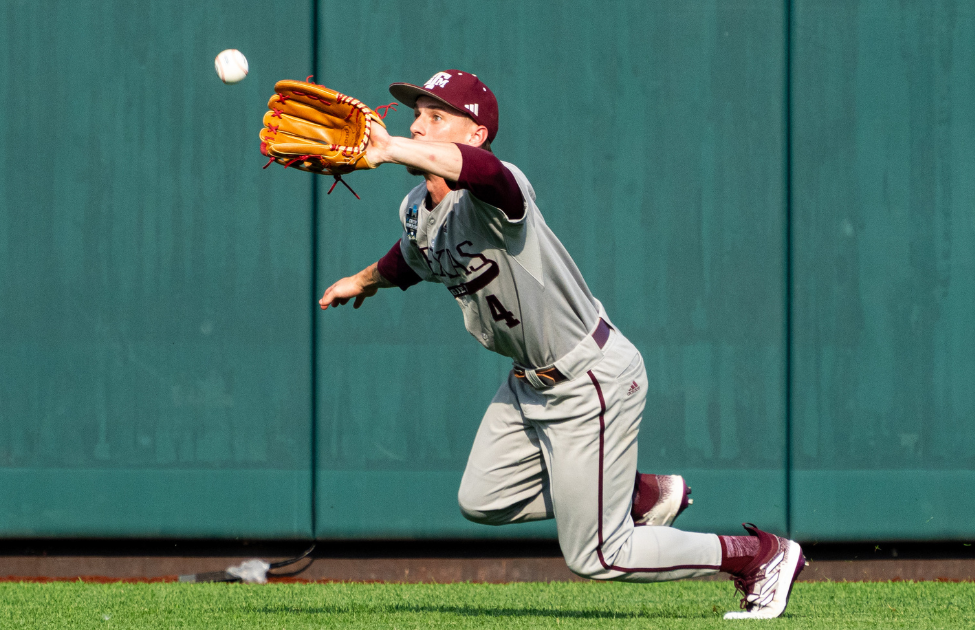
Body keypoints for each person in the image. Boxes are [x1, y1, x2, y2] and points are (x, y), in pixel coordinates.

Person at [317, 70, 805, 620]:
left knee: (599, 555)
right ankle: (638, 495)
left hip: (589, 376)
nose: (418, 126)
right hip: (527, 384)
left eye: (437, 117)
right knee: (482, 500)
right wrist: (360, 282)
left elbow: (486, 173)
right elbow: (410, 258)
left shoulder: (499, 191)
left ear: (474, 134)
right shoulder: (415, 207)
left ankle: (758, 556)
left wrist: (387, 148)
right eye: (416, 116)